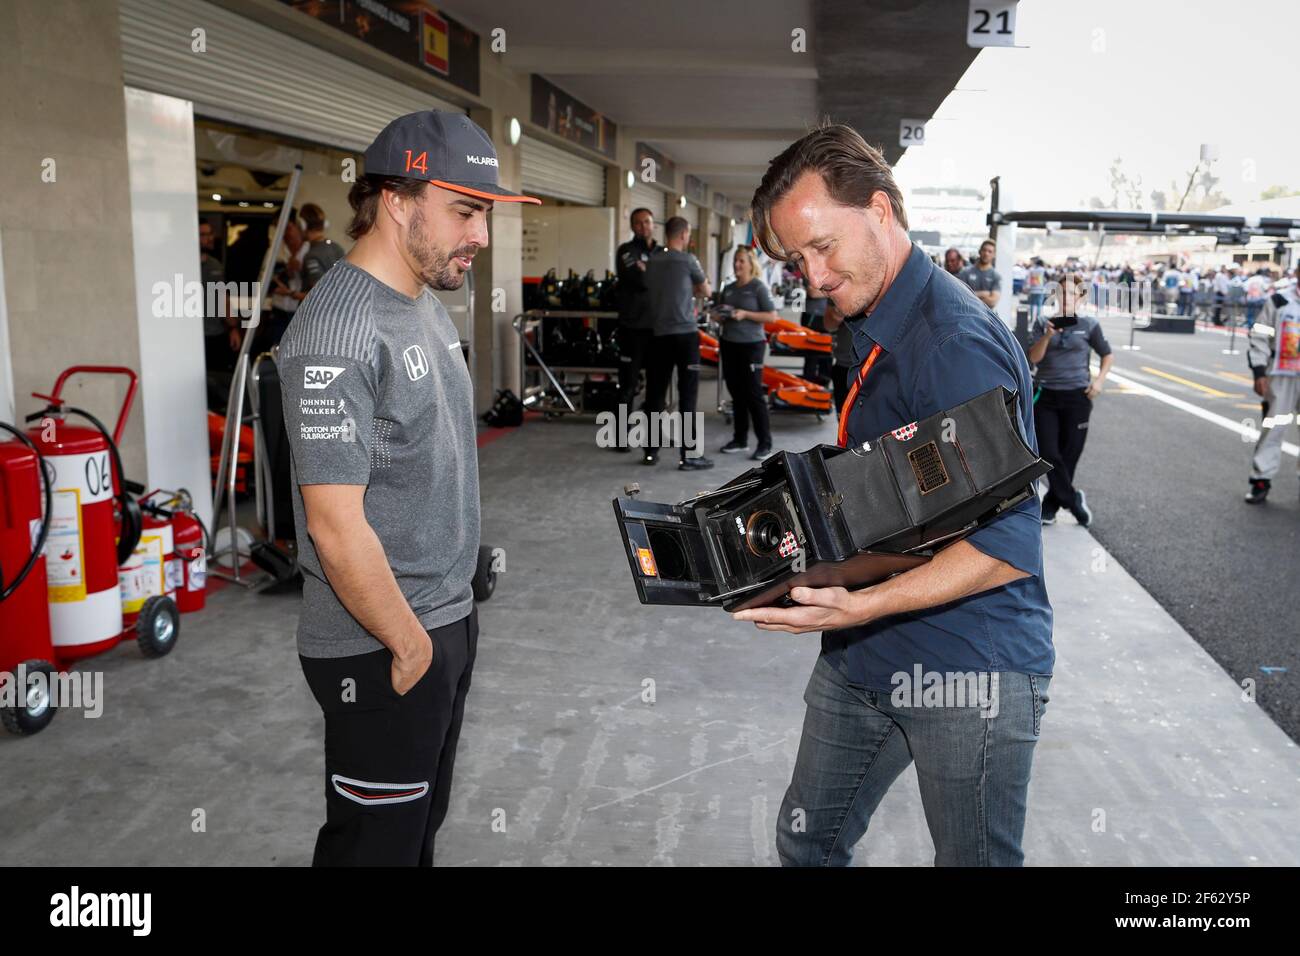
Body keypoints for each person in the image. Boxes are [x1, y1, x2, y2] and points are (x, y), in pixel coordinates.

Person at [741, 123, 1053, 867]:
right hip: (864, 658)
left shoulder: (950, 344)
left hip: (970, 666)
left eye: (822, 248)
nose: (811, 277)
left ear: (881, 210)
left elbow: (1006, 548)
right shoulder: (872, 315)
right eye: (795, 259)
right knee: (807, 841)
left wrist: (864, 604)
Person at [278, 110, 539, 866]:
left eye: (483, 212)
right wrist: (406, 642)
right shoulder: (339, 334)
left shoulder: (420, 302)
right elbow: (333, 525)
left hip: (441, 617)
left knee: (417, 835)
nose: (481, 236)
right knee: (374, 850)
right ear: (395, 200)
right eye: (464, 211)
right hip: (378, 643)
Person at [1026, 272, 1114, 526]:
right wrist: (1048, 335)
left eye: (1072, 294)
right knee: (1049, 453)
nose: (1066, 298)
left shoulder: (1090, 324)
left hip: (1077, 398)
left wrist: (1098, 381)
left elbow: (1107, 356)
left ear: (1080, 298)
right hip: (1046, 396)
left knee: (1069, 455)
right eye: (1061, 293)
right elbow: (1033, 358)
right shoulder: (1043, 321)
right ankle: (1074, 501)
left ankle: (1052, 504)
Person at [641, 215, 713, 470]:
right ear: (684, 235)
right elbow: (706, 291)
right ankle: (689, 455)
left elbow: (651, 290)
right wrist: (690, 290)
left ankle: (650, 452)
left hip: (658, 335)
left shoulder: (652, 261)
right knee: (688, 396)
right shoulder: (688, 260)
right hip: (684, 335)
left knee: (655, 395)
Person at [1244, 264, 1300, 504]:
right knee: (1274, 427)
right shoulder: (1278, 301)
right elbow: (1259, 336)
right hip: (1281, 374)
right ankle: (1261, 480)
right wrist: (1259, 371)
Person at [716, 245, 778, 458]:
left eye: (741, 261)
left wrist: (745, 314)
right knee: (736, 392)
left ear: (751, 264)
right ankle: (740, 439)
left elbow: (771, 316)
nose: (737, 264)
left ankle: (765, 443)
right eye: (735, 260)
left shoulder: (758, 287)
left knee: (753, 393)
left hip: (751, 345)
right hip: (729, 342)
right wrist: (719, 315)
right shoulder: (729, 288)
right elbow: (721, 311)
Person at [613, 207, 659, 451]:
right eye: (639, 223)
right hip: (631, 329)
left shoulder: (663, 252)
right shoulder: (626, 251)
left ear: (653, 224)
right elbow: (640, 281)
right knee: (628, 386)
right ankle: (621, 437)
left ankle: (652, 439)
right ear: (632, 227)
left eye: (647, 222)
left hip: (657, 330)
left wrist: (648, 270)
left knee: (655, 388)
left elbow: (665, 282)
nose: (644, 226)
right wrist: (652, 274)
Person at [299, 202, 346, 293]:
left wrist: (291, 293)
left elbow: (319, 291)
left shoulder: (312, 256)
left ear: (302, 225)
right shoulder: (337, 247)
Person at [958, 239, 1001, 310]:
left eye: (990, 251)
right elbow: (961, 297)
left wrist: (972, 297)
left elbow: (993, 301)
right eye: (984, 250)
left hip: (988, 318)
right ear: (979, 251)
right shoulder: (965, 272)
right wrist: (984, 294)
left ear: (994, 255)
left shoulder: (996, 276)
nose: (986, 253)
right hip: (968, 315)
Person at [1025, 257, 1048, 322]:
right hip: (1040, 290)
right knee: (1039, 305)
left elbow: (1027, 279)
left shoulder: (1031, 270)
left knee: (1032, 304)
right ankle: (1038, 319)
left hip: (1032, 289)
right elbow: (1048, 277)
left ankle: (1032, 318)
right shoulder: (1043, 270)